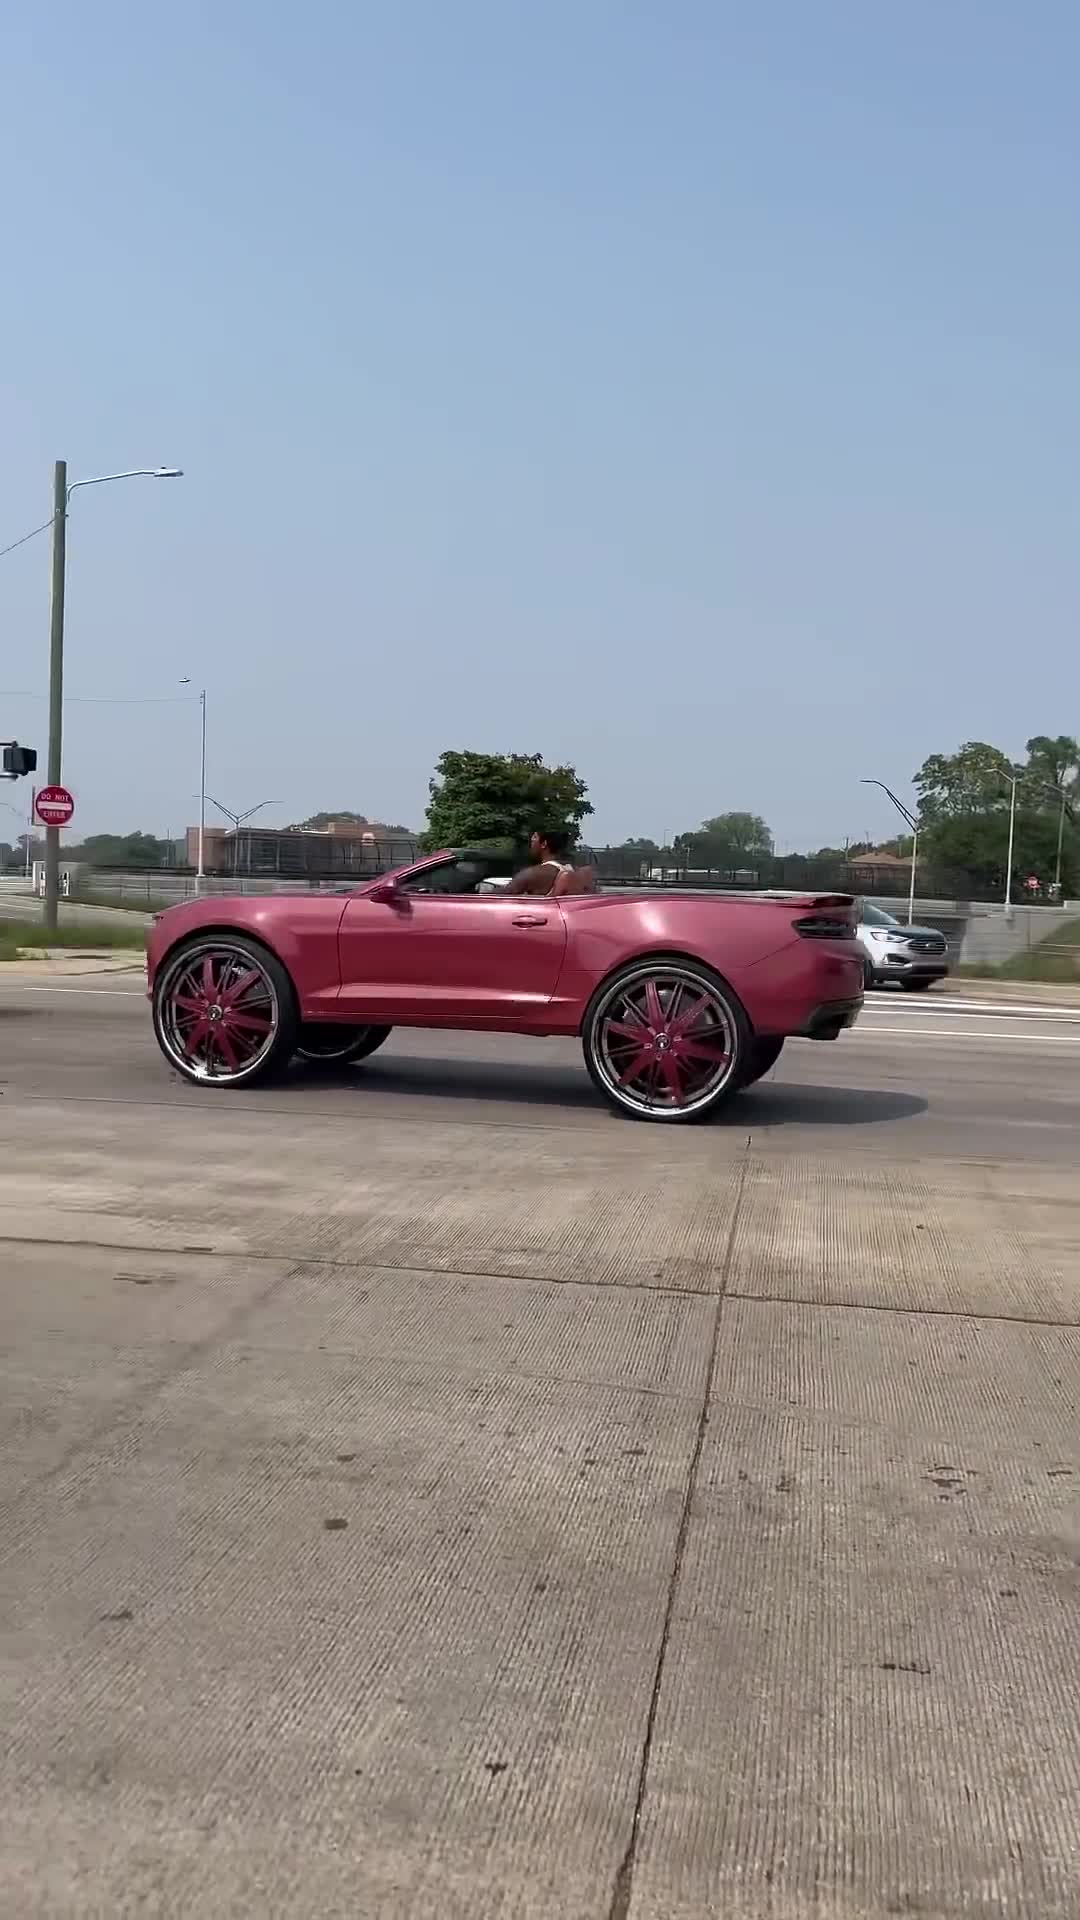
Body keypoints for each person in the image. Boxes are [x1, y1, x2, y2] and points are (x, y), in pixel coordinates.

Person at [508, 828, 577, 896]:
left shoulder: (531, 874)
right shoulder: (576, 872)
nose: (531, 843)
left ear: (544, 844)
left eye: (534, 838)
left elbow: (501, 896)